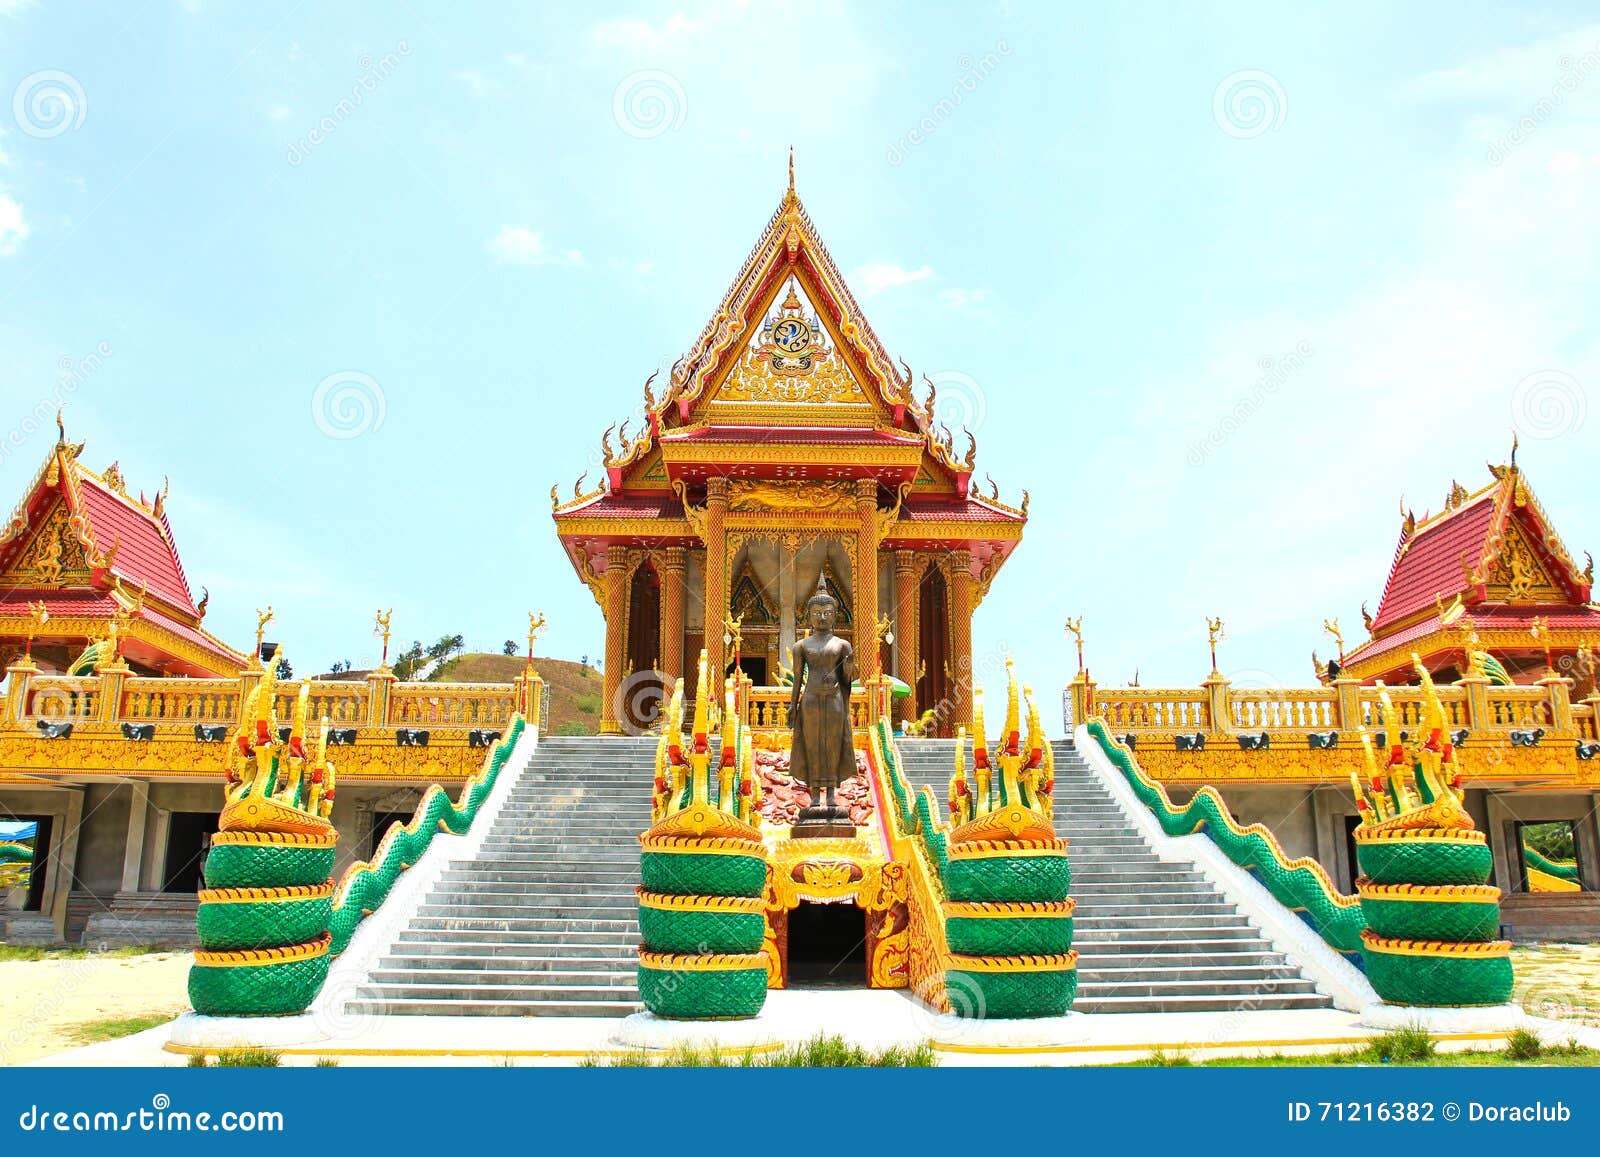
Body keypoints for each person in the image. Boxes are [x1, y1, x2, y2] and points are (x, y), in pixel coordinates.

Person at [788, 575, 856, 820]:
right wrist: (792, 706)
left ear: (835, 614)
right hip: (811, 701)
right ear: (809, 615)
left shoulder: (842, 644)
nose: (822, 616)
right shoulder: (801, 646)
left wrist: (849, 666)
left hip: (835, 700)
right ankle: (814, 796)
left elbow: (847, 679)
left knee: (833, 746)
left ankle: (830, 796)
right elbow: (797, 679)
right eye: (817, 612)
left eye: (827, 612)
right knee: (813, 746)